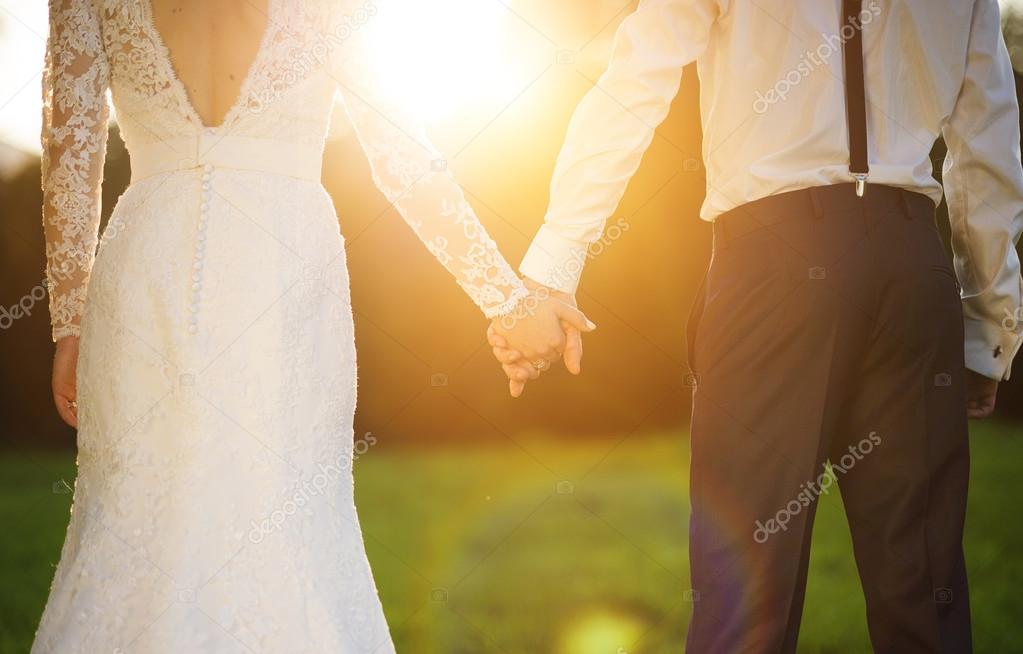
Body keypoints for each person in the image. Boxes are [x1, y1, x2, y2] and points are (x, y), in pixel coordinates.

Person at [36, 1, 591, 651]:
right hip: (281, 267)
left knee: (134, 522)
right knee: (285, 517)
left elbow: (70, 149)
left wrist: (70, 325)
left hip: (147, 267)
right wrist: (509, 302)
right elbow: (402, 159)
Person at [490, 0, 1023, 651]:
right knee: (925, 594)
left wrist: (552, 267)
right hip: (911, 265)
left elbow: (636, 79)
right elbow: (989, 147)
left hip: (772, 267)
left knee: (744, 588)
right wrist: (986, 330)